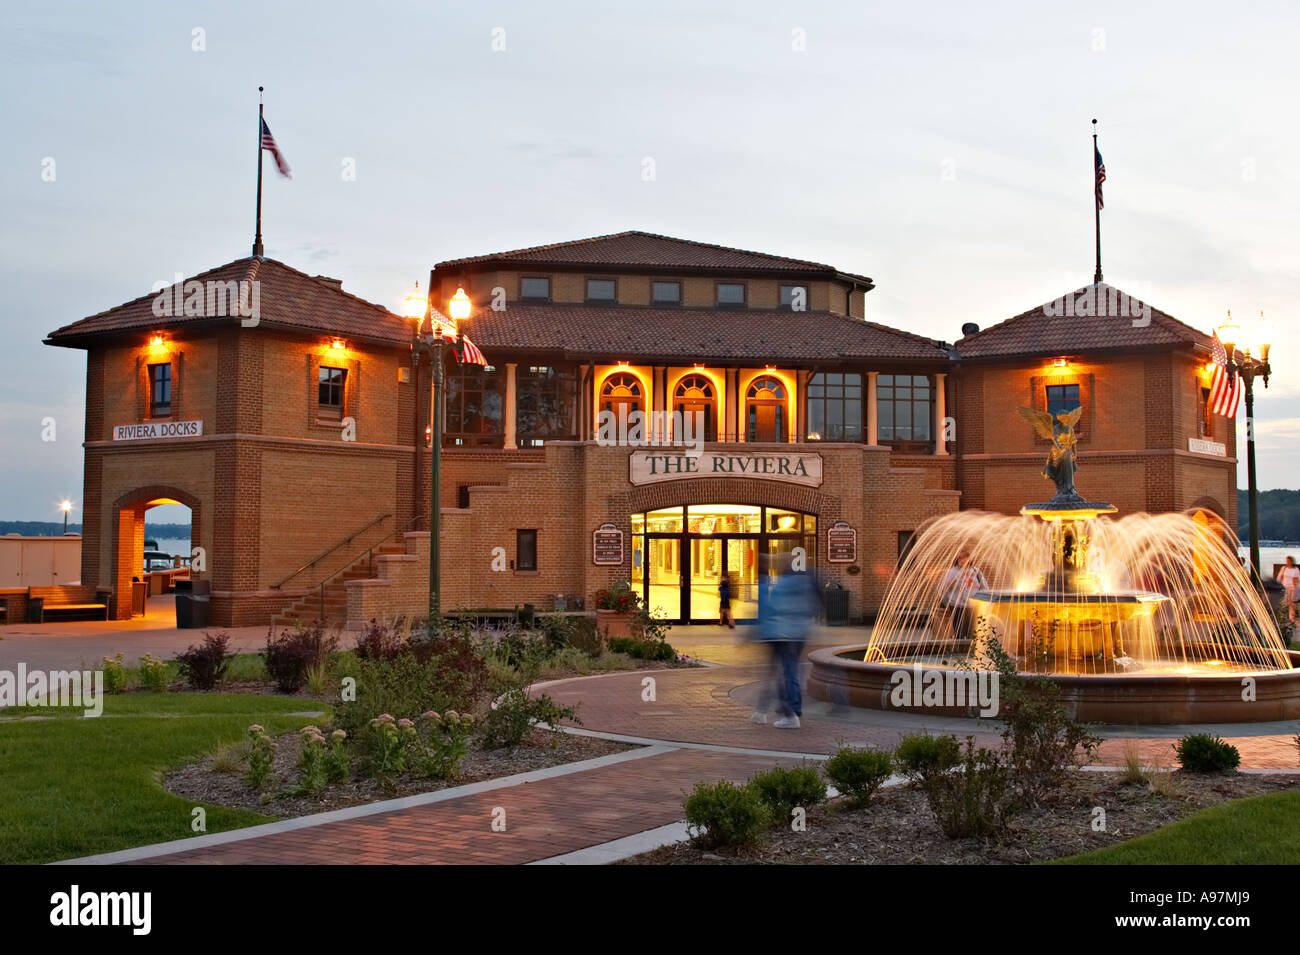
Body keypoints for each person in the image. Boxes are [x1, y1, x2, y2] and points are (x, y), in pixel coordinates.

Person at [753, 555, 818, 729]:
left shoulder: (778, 584)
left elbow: (769, 608)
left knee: (781, 673)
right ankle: (770, 710)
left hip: (779, 634)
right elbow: (811, 607)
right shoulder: (803, 584)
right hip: (798, 634)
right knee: (788, 671)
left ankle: (789, 713)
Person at [936, 551, 988, 641]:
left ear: (970, 559)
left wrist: (984, 601)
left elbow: (984, 587)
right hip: (957, 605)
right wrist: (946, 602)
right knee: (959, 631)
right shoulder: (952, 572)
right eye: (959, 558)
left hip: (973, 606)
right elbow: (942, 588)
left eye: (964, 558)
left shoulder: (976, 571)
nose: (961, 560)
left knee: (973, 631)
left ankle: (971, 650)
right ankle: (959, 650)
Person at [1281, 556, 1300, 625]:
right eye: (1287, 561)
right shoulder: (1284, 568)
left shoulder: (1295, 569)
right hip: (1285, 587)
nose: (1287, 562)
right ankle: (1286, 617)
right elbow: (1280, 577)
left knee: (1292, 603)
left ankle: (1291, 618)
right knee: (1285, 603)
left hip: (1292, 588)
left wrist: (1295, 587)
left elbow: (1297, 579)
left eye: (1289, 561)